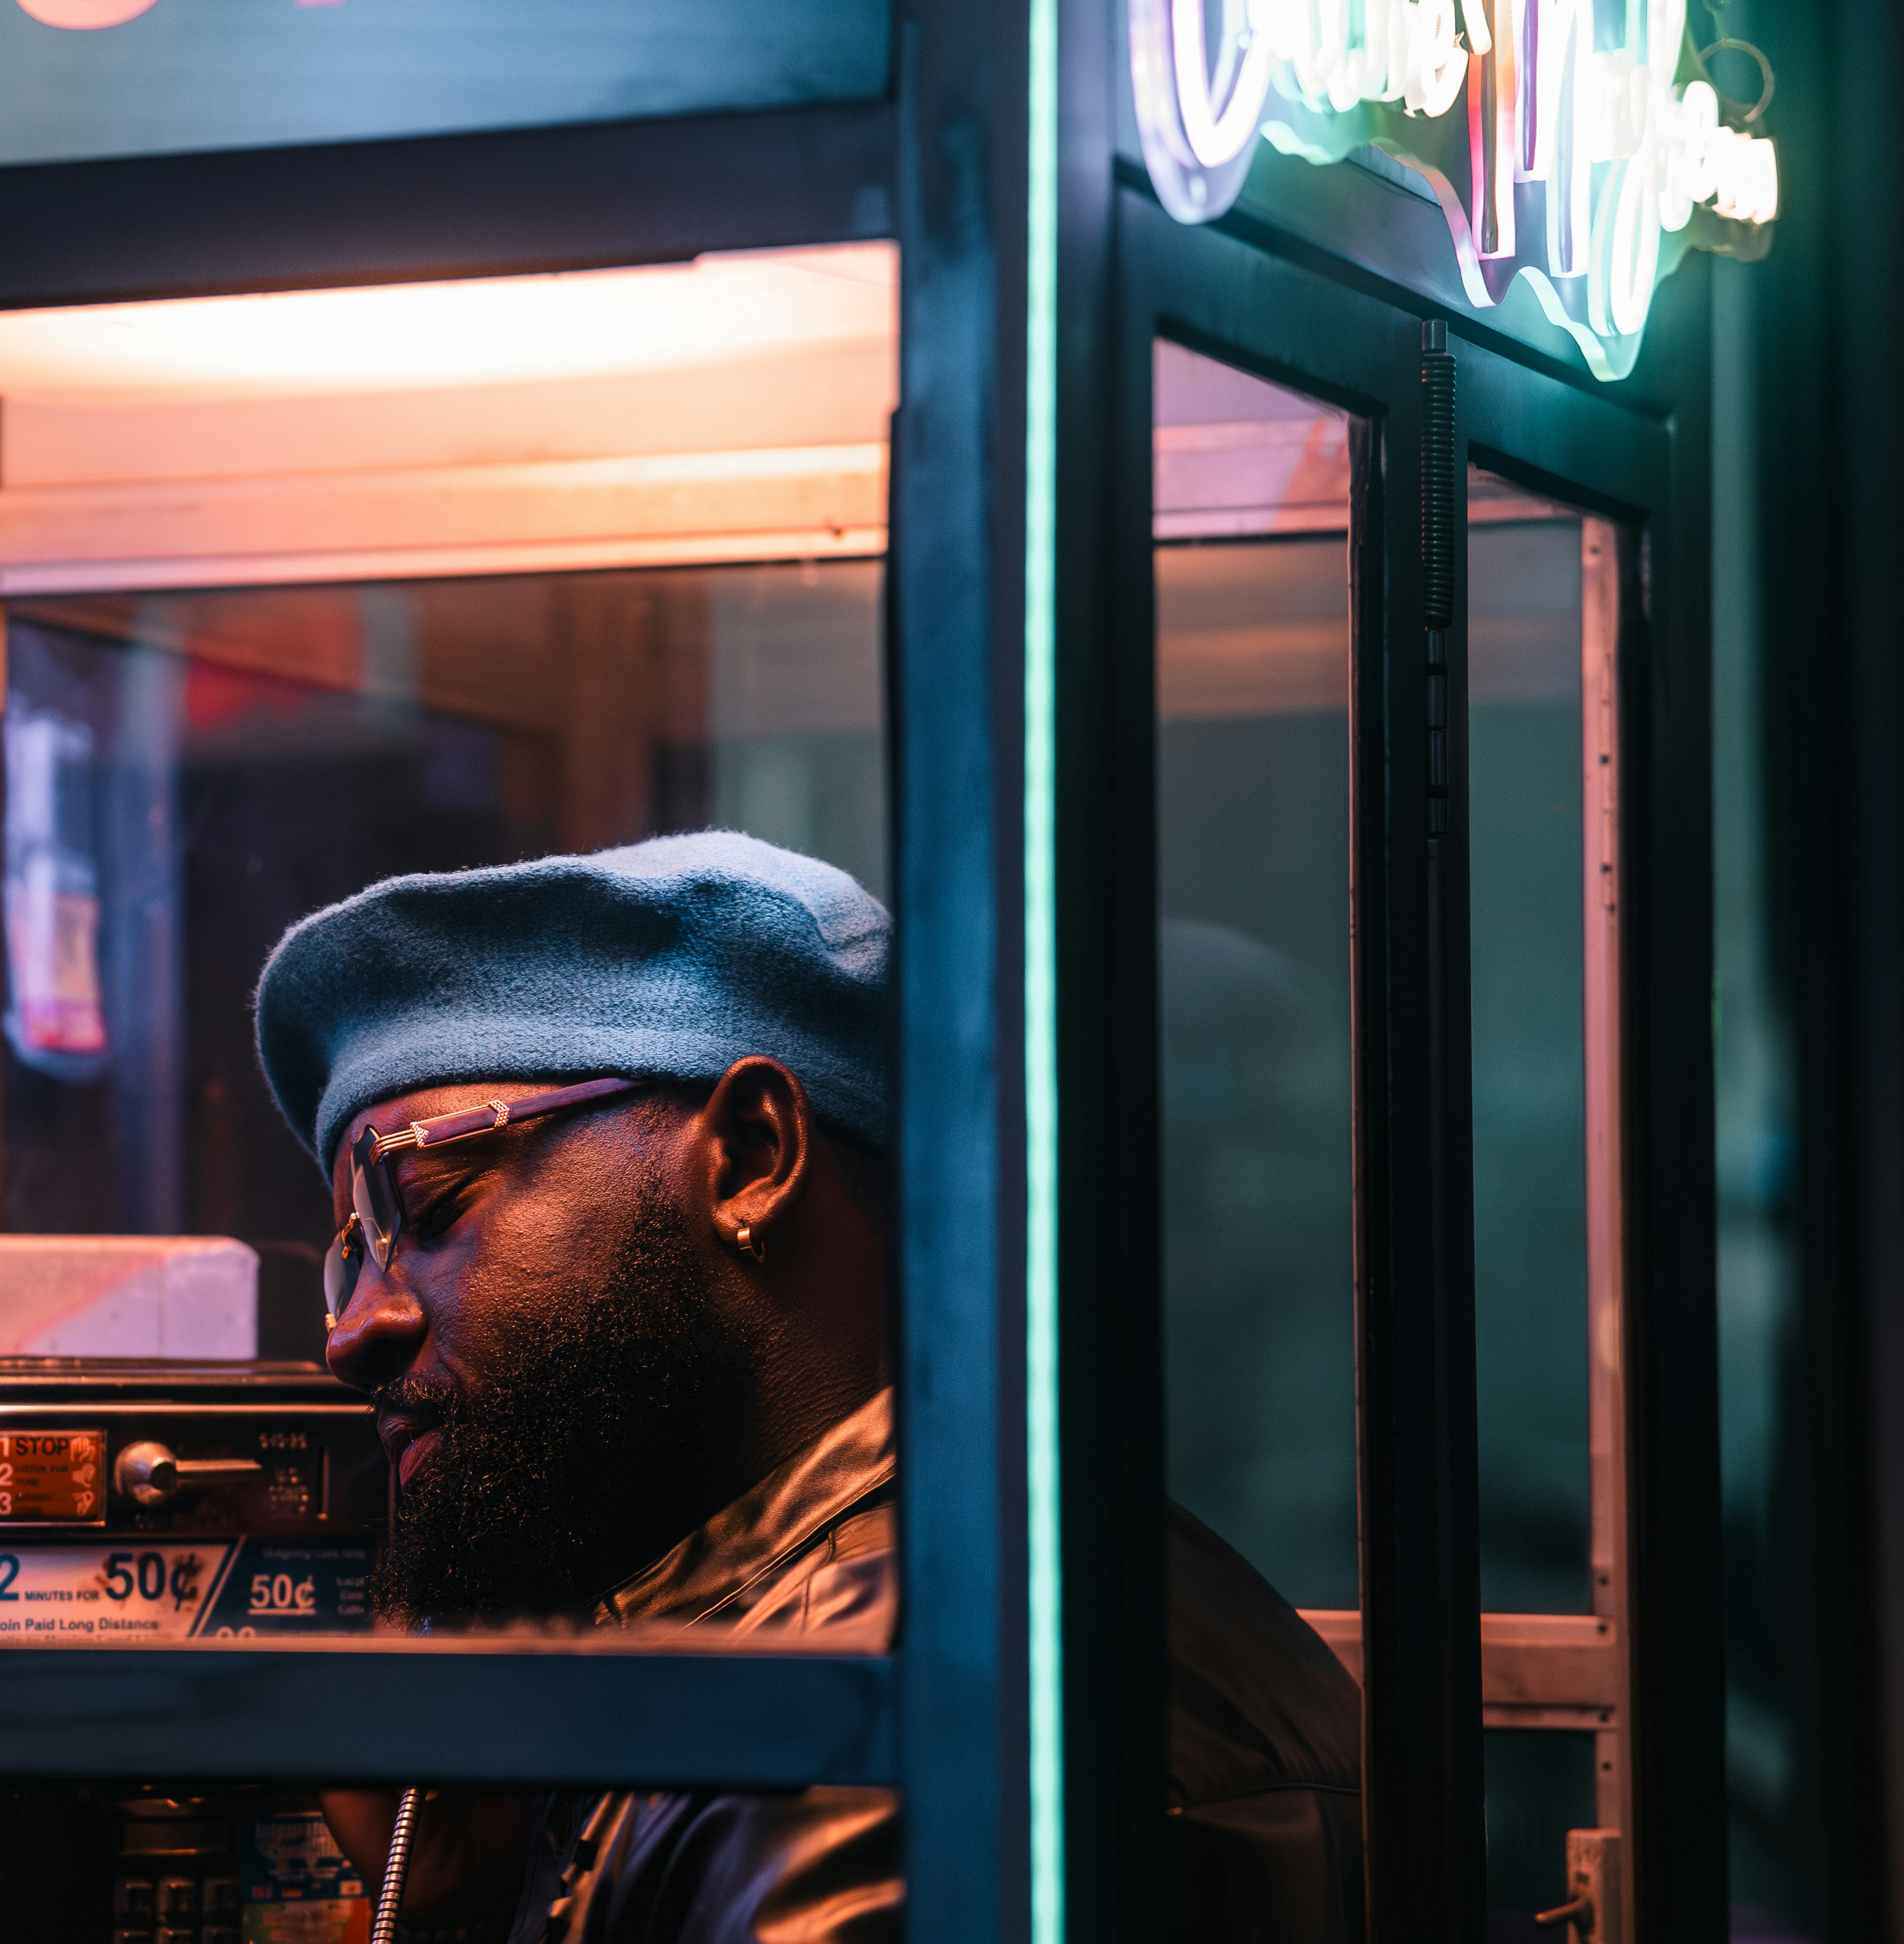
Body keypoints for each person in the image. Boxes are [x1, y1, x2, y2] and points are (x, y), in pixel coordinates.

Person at [250, 831, 1363, 1944]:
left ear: (749, 1153)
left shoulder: (857, 1735)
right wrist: (465, 1904)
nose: (357, 1331)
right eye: (353, 1254)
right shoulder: (796, 1635)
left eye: (433, 1207)